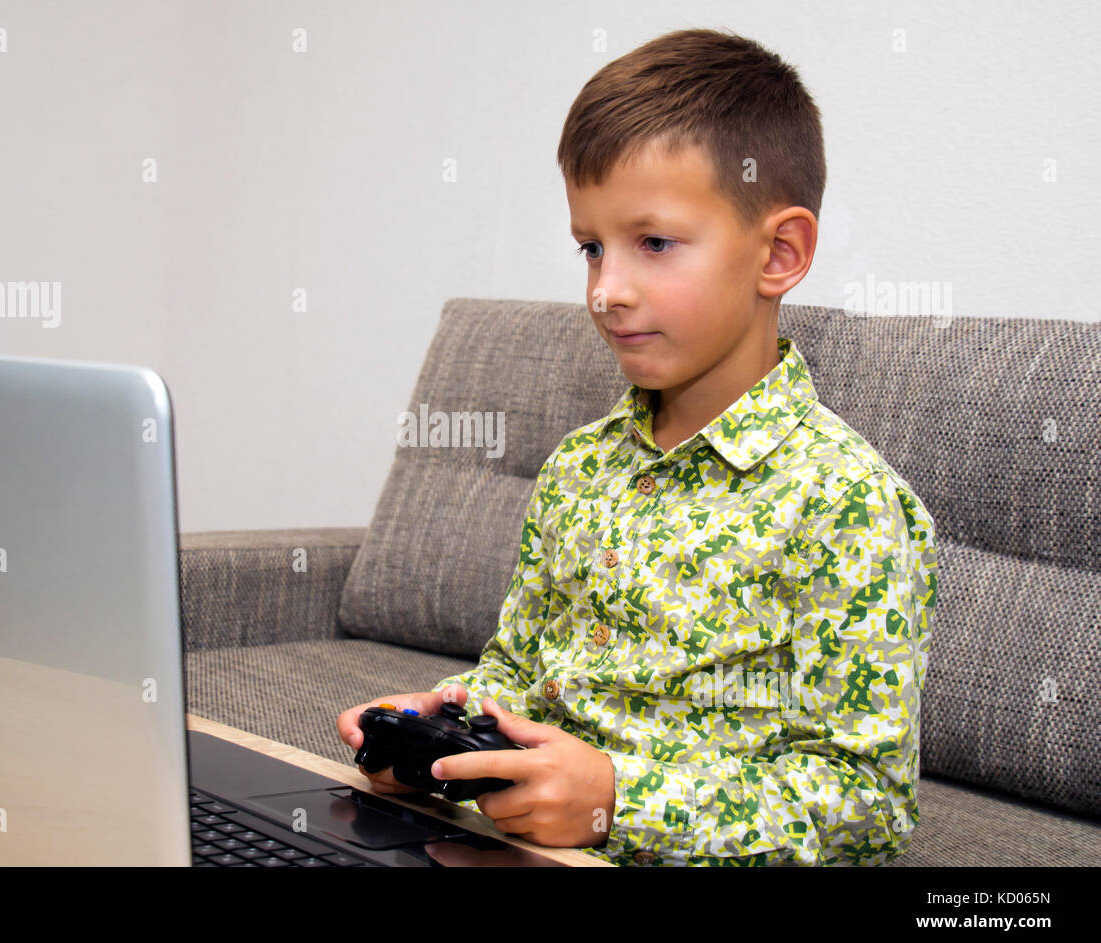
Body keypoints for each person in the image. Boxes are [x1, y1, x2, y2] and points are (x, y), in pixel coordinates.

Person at [337, 27, 938, 866]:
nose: (606, 290)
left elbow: (864, 805)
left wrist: (619, 803)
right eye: (592, 247)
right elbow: (519, 672)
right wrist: (442, 731)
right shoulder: (580, 468)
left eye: (653, 244)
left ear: (780, 252)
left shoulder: (848, 505)